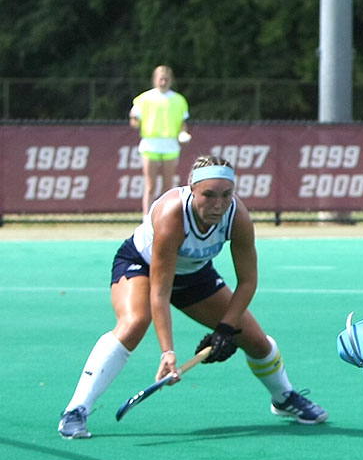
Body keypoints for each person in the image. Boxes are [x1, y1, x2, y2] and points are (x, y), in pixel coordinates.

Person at [58, 155, 327, 439]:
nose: (218, 204)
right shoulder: (173, 214)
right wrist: (168, 353)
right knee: (135, 322)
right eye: (209, 195)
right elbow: (160, 291)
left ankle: (283, 397)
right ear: (191, 188)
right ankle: (75, 411)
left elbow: (248, 281)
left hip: (195, 276)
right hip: (142, 266)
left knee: (257, 341)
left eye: (226, 195)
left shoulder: (238, 217)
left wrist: (225, 328)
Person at [130, 65, 191, 216]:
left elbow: (183, 124)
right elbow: (134, 119)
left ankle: (166, 216)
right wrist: (135, 122)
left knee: (168, 185)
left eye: (166, 79)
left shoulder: (179, 100)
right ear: (155, 80)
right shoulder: (144, 98)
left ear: (171, 80)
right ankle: (147, 217)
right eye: (160, 79)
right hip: (151, 144)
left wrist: (183, 134)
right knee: (150, 185)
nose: (163, 82)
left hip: (170, 145)